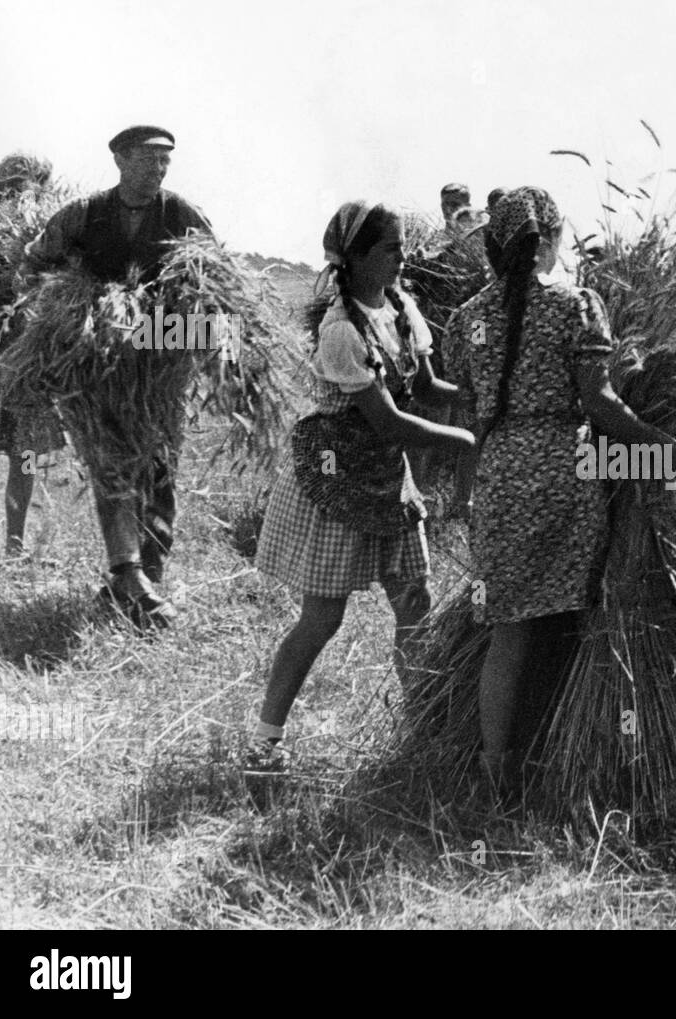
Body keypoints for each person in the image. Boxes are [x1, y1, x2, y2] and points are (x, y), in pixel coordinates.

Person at [444, 186, 673, 794]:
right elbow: (600, 402)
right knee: (577, 616)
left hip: (499, 475)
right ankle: (576, 757)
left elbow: (468, 409)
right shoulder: (577, 305)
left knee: (511, 627)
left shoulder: (466, 318)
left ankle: (499, 775)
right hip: (564, 469)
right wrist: (660, 442)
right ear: (548, 237)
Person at [247, 202, 474, 774]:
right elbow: (390, 421)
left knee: (414, 602)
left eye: (402, 247)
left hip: (386, 479)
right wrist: (465, 439)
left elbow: (424, 384)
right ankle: (264, 738)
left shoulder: (400, 308)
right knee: (323, 619)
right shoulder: (341, 331)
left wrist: (474, 396)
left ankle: (420, 727)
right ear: (357, 258)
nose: (403, 258)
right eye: (391, 249)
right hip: (338, 480)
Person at [24, 125, 212, 626]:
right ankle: (128, 574)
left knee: (159, 469)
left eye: (165, 161)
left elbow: (213, 282)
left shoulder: (182, 214)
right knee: (112, 465)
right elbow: (36, 264)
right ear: (121, 161)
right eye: (149, 160)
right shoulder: (83, 215)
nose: (159, 170)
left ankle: (147, 575)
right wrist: (71, 311)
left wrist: (165, 329)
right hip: (99, 367)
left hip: (159, 364)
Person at [0, 153, 66, 569]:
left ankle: (16, 547)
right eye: (30, 185)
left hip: (29, 373)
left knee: (26, 458)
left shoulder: (41, 239)